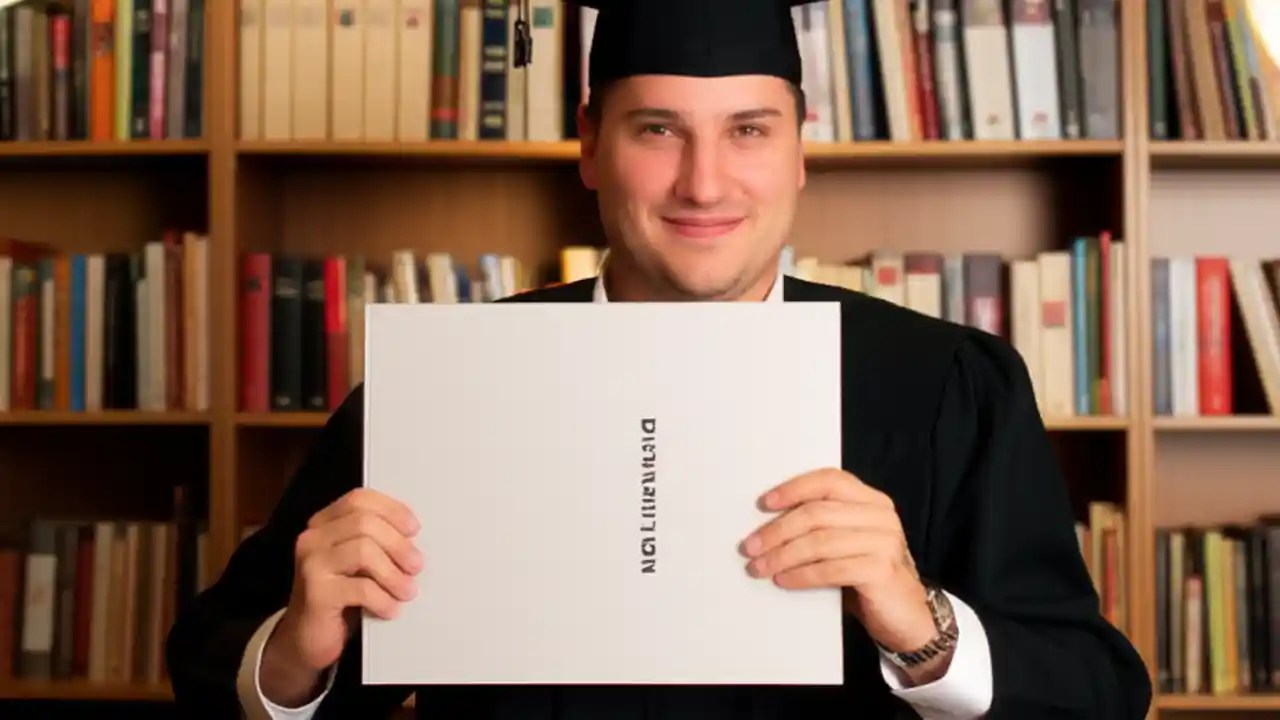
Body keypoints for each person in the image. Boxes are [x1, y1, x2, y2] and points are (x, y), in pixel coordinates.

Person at [165, 0, 1153, 717]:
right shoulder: (451, 388)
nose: (703, 181)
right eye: (657, 130)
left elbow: (1096, 692)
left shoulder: (945, 384)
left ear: (798, 151)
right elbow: (216, 668)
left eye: (747, 131)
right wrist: (299, 652)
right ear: (589, 145)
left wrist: (921, 623)